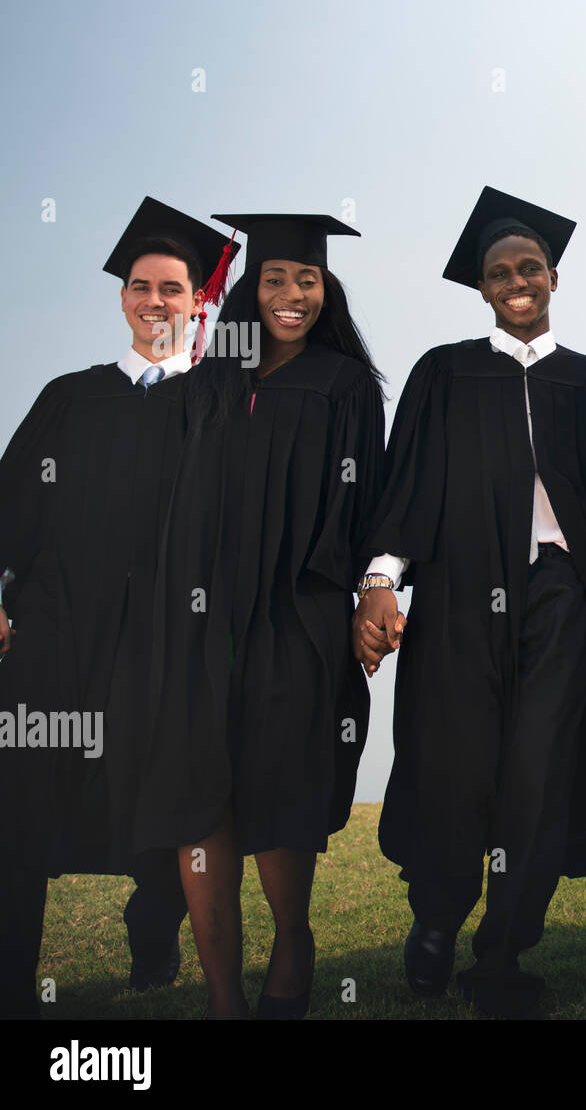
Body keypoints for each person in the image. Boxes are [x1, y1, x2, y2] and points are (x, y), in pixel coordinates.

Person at [353, 186, 586, 1019]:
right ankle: (435, 917)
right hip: (460, 586)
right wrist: (381, 578)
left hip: (560, 591)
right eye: (500, 271)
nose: (517, 279)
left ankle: (502, 950)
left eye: (530, 266)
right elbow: (409, 480)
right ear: (484, 288)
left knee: (540, 770)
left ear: (555, 278)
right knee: (455, 763)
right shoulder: (443, 370)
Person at [133, 214, 384, 1019]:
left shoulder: (344, 385)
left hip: (296, 614)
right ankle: (222, 999)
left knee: (277, 788)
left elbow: (368, 505)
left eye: (306, 280)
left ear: (325, 289)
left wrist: (368, 593)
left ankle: (293, 939)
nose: (291, 295)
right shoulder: (207, 383)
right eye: (274, 279)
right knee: (199, 794)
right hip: (200, 619)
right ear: (250, 289)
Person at [0, 198, 237, 1017]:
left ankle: (153, 934)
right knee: (19, 801)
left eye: (173, 289)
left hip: (167, 643)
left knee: (165, 801)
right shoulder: (70, 397)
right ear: (123, 297)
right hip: (58, 637)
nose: (156, 301)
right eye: (141, 286)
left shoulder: (216, 406)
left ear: (197, 302)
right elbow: (12, 506)